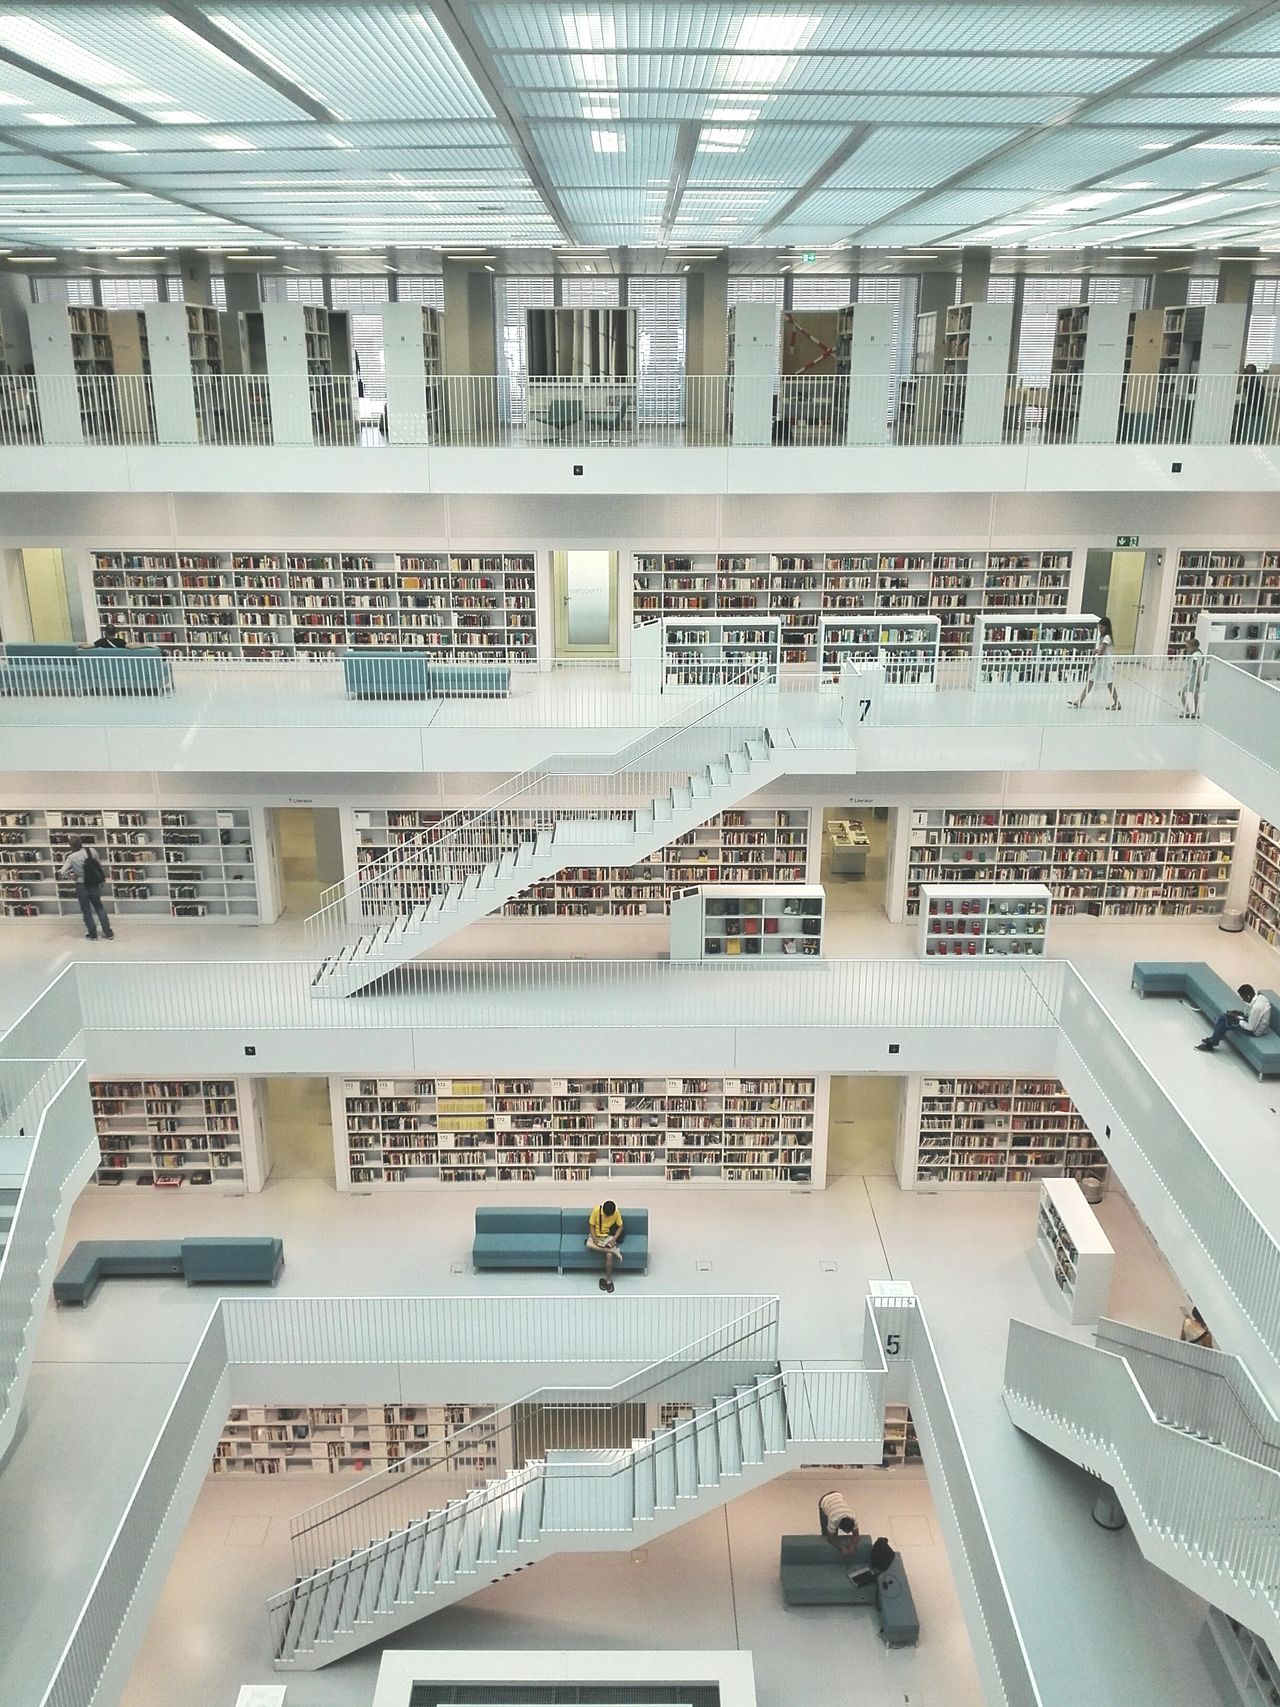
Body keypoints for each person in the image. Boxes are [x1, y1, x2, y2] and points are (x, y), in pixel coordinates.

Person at [58, 836, 114, 942]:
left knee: (86, 910)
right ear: (81, 843)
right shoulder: (91, 851)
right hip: (93, 883)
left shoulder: (71, 857)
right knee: (99, 907)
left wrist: (72, 876)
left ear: (71, 846)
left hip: (81, 884)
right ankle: (108, 932)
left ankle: (93, 935)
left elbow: (62, 872)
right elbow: (98, 865)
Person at [1196, 983, 1271, 1053]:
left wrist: (1237, 1019)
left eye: (1243, 997)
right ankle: (1214, 1039)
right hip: (1255, 1023)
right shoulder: (1261, 998)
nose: (1243, 1000)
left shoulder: (1256, 1008)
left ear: (1248, 996)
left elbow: (1250, 1027)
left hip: (1255, 1031)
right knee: (1224, 1017)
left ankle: (1212, 1042)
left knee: (1224, 1021)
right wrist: (1238, 1012)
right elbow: (1251, 1014)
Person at [1070, 616, 1121, 712]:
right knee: (1091, 681)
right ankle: (1079, 701)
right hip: (1101, 664)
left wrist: (1095, 653)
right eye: (1099, 627)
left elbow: (1101, 651)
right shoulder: (1104, 637)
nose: (1100, 629)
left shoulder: (1106, 638)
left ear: (1106, 627)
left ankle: (1117, 703)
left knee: (1109, 683)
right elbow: (1101, 650)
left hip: (1105, 664)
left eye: (1101, 628)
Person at [586, 1199, 624, 1293]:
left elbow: (621, 1226)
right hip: (597, 1235)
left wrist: (614, 1239)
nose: (608, 1217)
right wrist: (594, 1238)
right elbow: (591, 1225)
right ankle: (614, 1251)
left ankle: (608, 1279)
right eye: (606, 1215)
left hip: (608, 1236)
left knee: (609, 1256)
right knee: (588, 1243)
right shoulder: (596, 1211)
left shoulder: (616, 1212)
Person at [818, 1489, 860, 1556]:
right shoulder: (833, 1519)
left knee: (833, 1533)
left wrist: (853, 1546)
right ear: (839, 1526)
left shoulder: (853, 1518)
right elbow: (830, 1538)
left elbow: (856, 1535)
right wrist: (841, 1548)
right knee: (826, 1532)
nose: (847, 1533)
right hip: (824, 1500)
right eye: (846, 1531)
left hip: (837, 1495)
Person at [1235, 363, 1266, 444]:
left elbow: (1237, 391)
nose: (1245, 373)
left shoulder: (1249, 383)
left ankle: (1235, 433)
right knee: (1238, 408)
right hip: (1257, 407)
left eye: (1247, 371)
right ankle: (1239, 433)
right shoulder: (1256, 382)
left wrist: (1240, 378)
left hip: (1253, 408)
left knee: (1234, 408)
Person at [1180, 636, 1205, 719]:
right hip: (1193, 676)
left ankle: (1188, 711)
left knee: (1181, 692)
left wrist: (1197, 680)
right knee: (1195, 694)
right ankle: (1196, 712)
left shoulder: (1196, 655)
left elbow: (1198, 668)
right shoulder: (1195, 653)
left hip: (1194, 677)